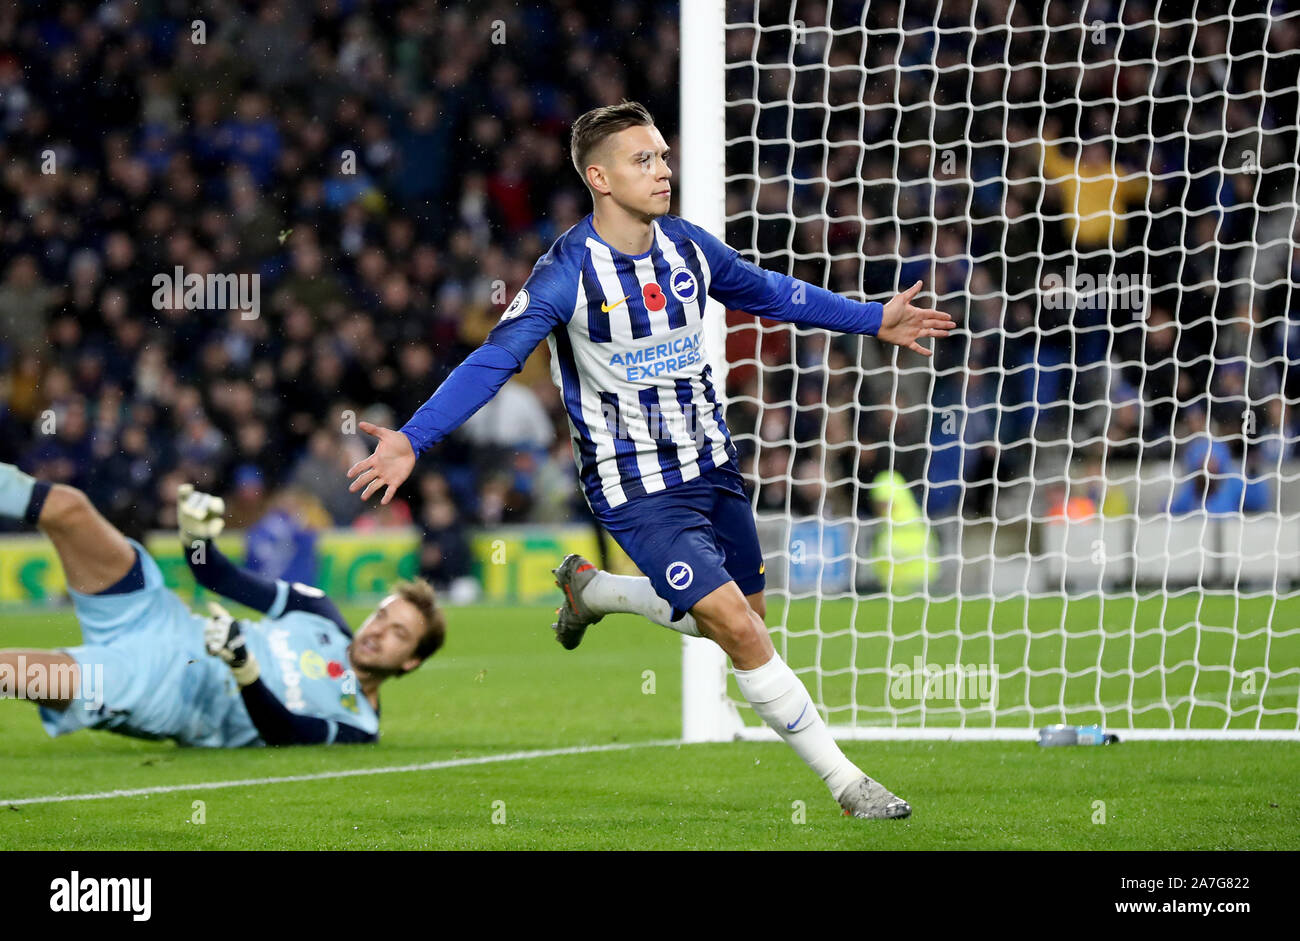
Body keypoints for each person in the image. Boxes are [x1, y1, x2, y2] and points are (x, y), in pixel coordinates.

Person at [345, 101, 956, 819]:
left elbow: (773, 293)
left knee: (745, 623)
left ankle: (596, 592)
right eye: (645, 159)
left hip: (712, 466)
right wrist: (413, 438)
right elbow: (495, 360)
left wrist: (871, 317)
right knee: (736, 623)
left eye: (664, 156)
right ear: (599, 177)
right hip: (636, 486)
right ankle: (848, 784)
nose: (663, 170)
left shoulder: (689, 247)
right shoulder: (565, 274)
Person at [0, 464, 444, 747]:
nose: (379, 631)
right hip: (161, 619)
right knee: (67, 507)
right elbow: (219, 577)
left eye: (399, 634)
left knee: (11, 671)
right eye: (382, 616)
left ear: (411, 663)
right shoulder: (319, 610)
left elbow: (287, 735)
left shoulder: (360, 726)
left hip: (170, 691)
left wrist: (244, 667)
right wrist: (196, 540)